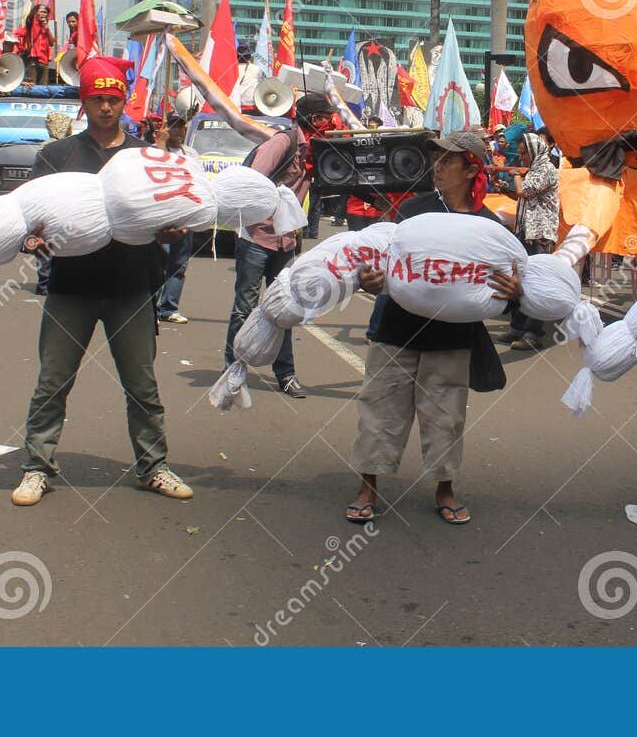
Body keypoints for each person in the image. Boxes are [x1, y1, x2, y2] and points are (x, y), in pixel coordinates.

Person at [11, 56, 192, 507]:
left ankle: (153, 466)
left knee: (142, 385)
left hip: (131, 287)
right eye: (97, 99)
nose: (106, 107)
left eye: (113, 99)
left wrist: (171, 232)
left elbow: (166, 217)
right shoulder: (57, 157)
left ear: (124, 100)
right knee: (52, 383)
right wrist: (31, 240)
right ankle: (37, 467)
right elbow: (24, 217)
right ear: (84, 101)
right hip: (71, 287)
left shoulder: (145, 157)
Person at [345, 131, 521, 525]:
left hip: (453, 338)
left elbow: (504, 282)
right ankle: (367, 487)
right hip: (396, 329)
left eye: (447, 161)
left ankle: (445, 488)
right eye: (435, 159)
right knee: (380, 409)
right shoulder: (413, 211)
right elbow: (385, 262)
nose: (436, 167)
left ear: (471, 170)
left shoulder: (487, 225)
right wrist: (371, 280)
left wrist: (515, 292)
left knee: (446, 415)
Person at [220, 94, 330, 399]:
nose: (329, 123)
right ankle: (233, 370)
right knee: (244, 307)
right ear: (310, 118)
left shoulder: (318, 149)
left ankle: (286, 375)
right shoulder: (283, 142)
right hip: (257, 235)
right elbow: (252, 179)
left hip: (287, 238)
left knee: (285, 307)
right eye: (324, 118)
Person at [505, 130, 559, 351]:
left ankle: (533, 333)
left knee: (536, 284)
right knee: (519, 279)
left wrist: (515, 175)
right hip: (526, 232)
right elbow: (521, 196)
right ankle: (517, 327)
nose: (521, 158)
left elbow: (524, 192)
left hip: (540, 235)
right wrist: (506, 187)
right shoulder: (535, 170)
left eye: (523, 153)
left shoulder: (546, 169)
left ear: (534, 151)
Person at [155, 112, 197, 324]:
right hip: (160, 216)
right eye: (174, 126)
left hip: (183, 216)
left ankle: (168, 308)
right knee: (157, 263)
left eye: (181, 126)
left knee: (178, 265)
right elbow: (158, 169)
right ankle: (149, 307)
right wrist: (160, 144)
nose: (178, 130)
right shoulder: (153, 150)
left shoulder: (191, 154)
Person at [20, 4, 55, 85]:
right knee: (30, 85)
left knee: (43, 86)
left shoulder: (45, 27)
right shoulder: (31, 25)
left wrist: (47, 29)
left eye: (45, 12)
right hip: (33, 59)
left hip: (44, 60)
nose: (43, 14)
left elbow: (51, 43)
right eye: (41, 12)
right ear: (35, 13)